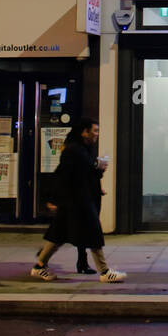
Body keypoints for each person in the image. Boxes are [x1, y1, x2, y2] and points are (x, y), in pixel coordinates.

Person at [31, 118, 125, 283]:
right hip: (77, 201)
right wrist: (53, 199)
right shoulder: (74, 151)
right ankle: (104, 272)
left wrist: (97, 178)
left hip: (76, 200)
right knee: (93, 233)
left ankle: (39, 267)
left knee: (58, 235)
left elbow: (85, 175)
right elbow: (63, 175)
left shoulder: (82, 149)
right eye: (94, 130)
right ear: (84, 132)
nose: (97, 134)